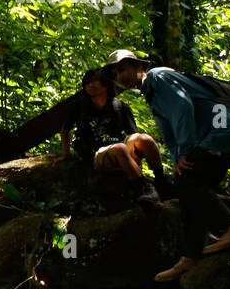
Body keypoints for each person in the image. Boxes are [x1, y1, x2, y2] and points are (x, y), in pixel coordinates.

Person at [109, 49, 230, 282]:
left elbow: (182, 108)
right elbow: (170, 133)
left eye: (123, 68)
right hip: (221, 136)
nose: (120, 75)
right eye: (116, 72)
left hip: (221, 134)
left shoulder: (158, 78)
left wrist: (186, 152)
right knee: (189, 191)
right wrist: (179, 157)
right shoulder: (152, 93)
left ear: (139, 67)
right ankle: (192, 256)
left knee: (187, 182)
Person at [58, 66, 162, 204]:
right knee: (119, 148)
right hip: (97, 153)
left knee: (144, 139)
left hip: (121, 148)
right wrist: (65, 154)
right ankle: (143, 188)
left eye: (94, 81)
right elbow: (65, 129)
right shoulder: (79, 106)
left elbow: (133, 135)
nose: (90, 85)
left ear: (106, 84)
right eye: (87, 82)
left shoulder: (120, 107)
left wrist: (134, 161)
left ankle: (162, 181)